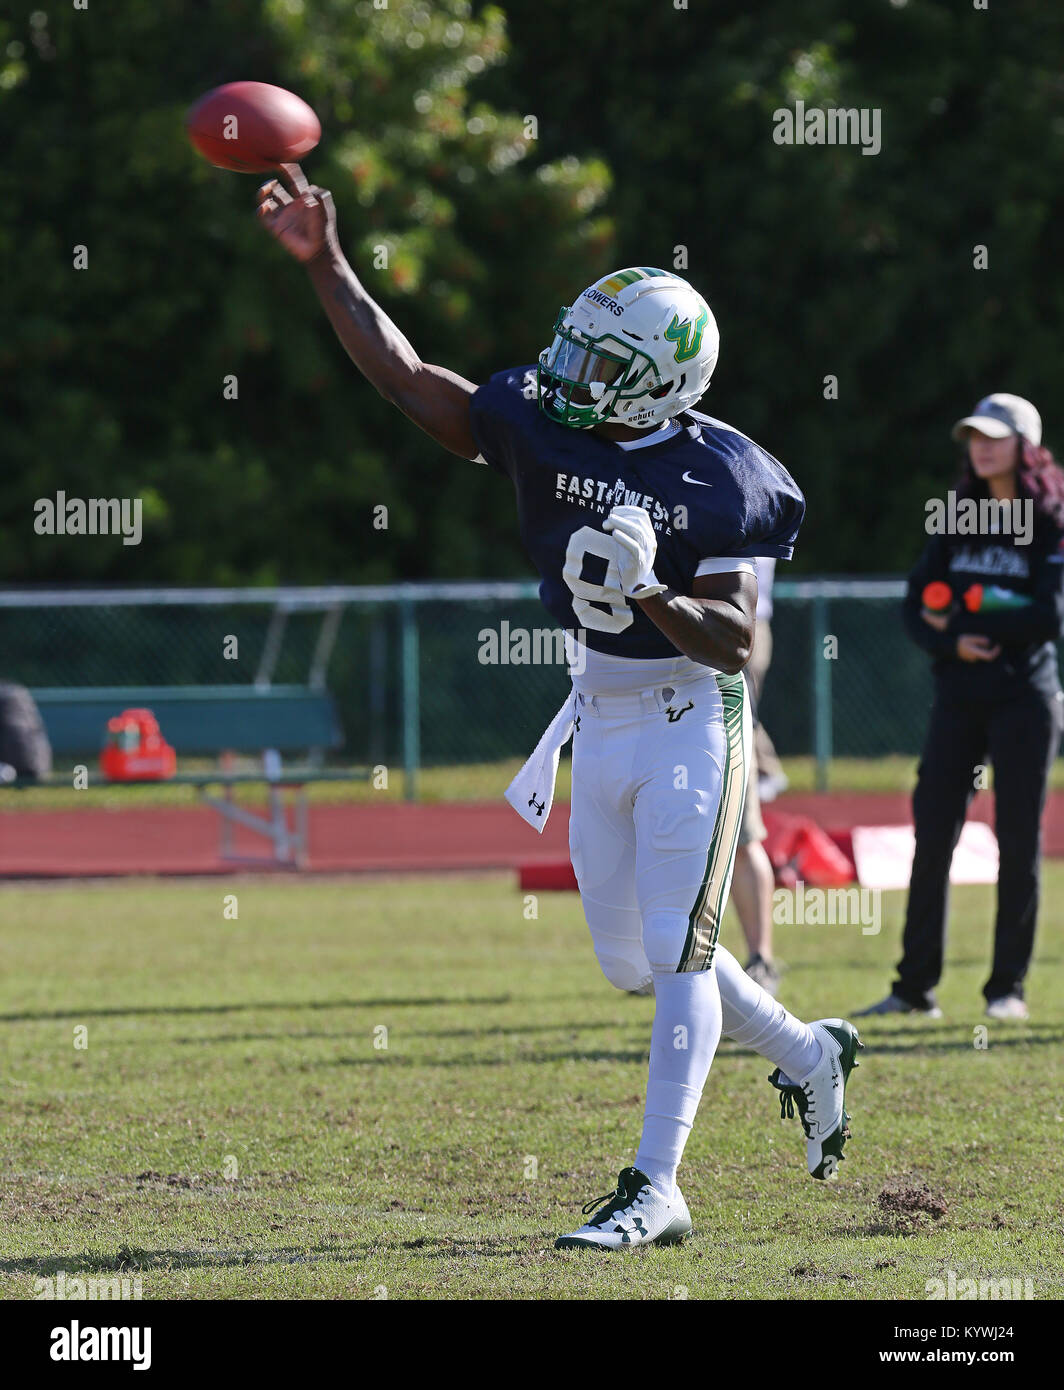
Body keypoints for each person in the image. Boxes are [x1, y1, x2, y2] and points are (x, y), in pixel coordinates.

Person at [256, 165, 862, 1251]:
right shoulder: (544, 418)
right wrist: (327, 263)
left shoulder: (725, 477)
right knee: (636, 959)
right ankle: (809, 1054)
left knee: (680, 958)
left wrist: (645, 591)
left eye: (598, 361)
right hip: (597, 709)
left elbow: (737, 641)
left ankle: (656, 1186)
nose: (567, 371)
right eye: (573, 345)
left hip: (689, 714)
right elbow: (406, 381)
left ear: (660, 383)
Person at [859, 394, 1064, 1023]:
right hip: (959, 696)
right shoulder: (958, 515)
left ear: (1025, 445)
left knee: (1018, 843)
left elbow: (1049, 615)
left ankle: (1007, 991)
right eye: (974, 435)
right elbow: (915, 603)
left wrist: (969, 610)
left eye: (996, 436)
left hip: (1026, 698)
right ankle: (914, 990)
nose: (982, 446)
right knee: (933, 837)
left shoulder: (1050, 519)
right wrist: (953, 639)